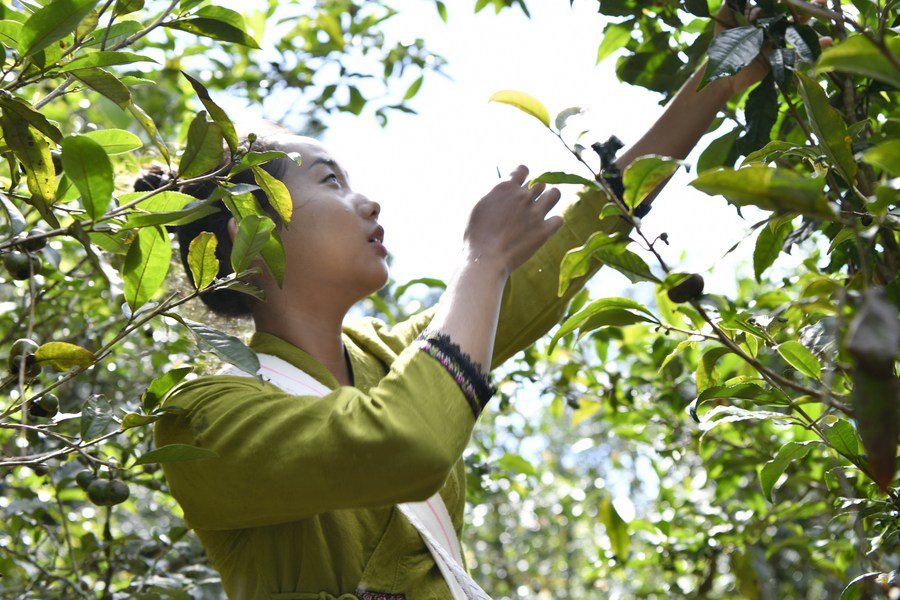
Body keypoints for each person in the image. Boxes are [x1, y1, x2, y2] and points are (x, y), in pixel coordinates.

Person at [149, 9, 783, 598]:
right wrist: (482, 261)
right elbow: (405, 443)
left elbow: (571, 241)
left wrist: (719, 78)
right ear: (253, 232)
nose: (367, 203)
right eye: (330, 180)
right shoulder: (198, 422)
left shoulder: (391, 358)